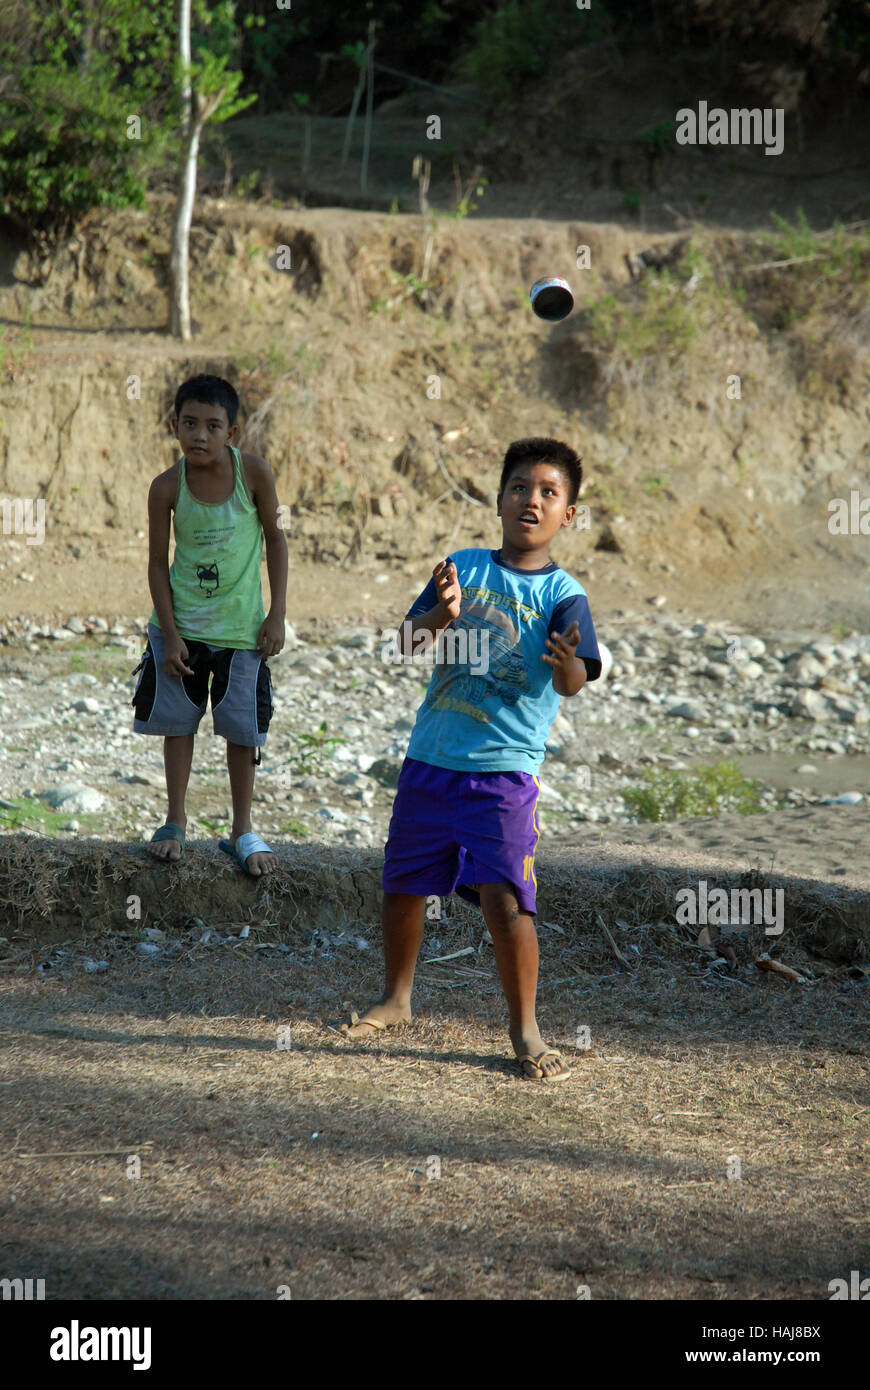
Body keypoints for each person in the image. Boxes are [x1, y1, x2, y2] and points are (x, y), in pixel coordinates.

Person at [343, 437, 602, 1079]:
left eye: (549, 492)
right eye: (520, 487)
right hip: (431, 760)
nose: (532, 501)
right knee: (404, 884)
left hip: (505, 773)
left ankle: (526, 1030)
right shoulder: (461, 565)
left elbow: (575, 679)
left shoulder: (565, 595)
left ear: (568, 514)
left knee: (506, 900)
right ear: (498, 498)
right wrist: (440, 613)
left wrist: (568, 665)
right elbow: (405, 644)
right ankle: (396, 999)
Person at [132, 374, 287, 875]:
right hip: (181, 629)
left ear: (232, 433)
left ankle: (242, 827)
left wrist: (277, 612)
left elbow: (276, 541)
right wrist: (170, 635)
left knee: (243, 730)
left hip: (243, 631)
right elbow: (158, 562)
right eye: (190, 424)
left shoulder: (256, 475)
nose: (200, 435)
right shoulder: (165, 488)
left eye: (213, 426)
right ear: (174, 425)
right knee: (178, 724)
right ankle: (175, 819)